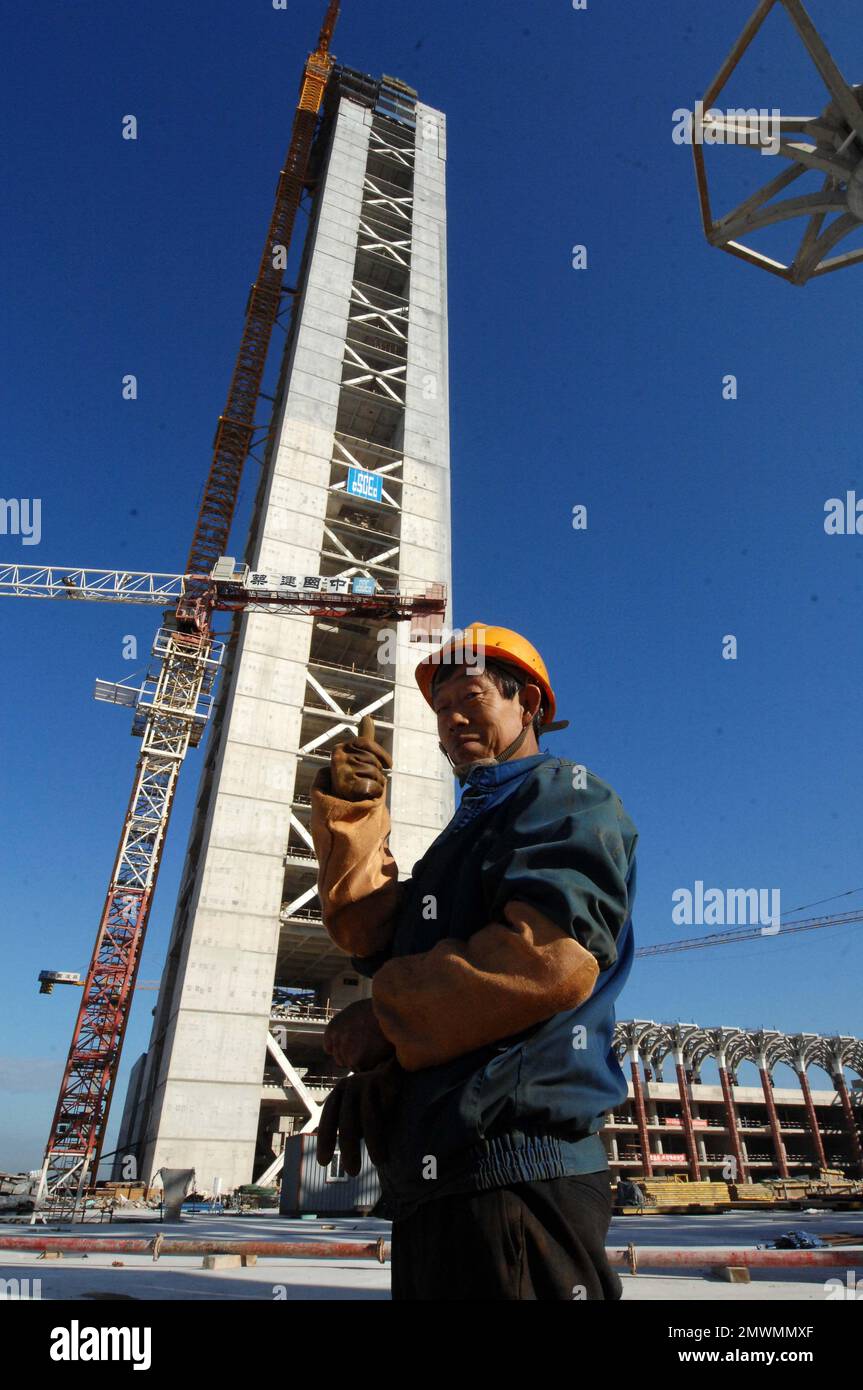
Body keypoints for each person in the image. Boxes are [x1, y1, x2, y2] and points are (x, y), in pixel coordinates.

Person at [310, 622, 638, 1300]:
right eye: (441, 707)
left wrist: (391, 1018)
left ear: (531, 707)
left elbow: (545, 961)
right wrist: (353, 820)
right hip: (441, 1169)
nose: (453, 716)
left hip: (516, 1165)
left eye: (475, 696)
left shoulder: (562, 795)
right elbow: (370, 937)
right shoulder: (464, 839)